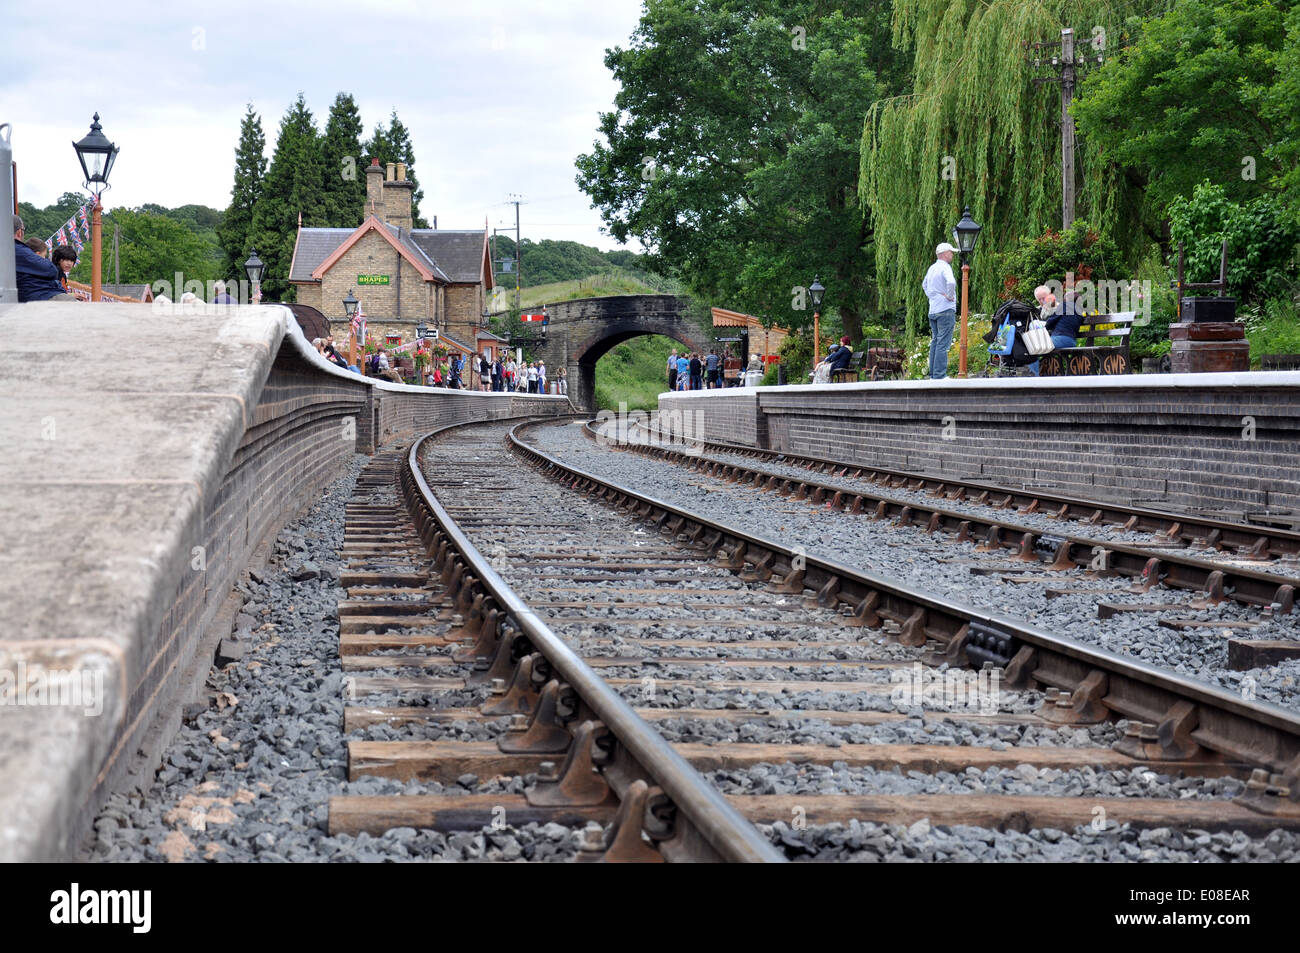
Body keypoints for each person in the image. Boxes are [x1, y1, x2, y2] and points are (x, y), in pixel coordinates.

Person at [13, 215, 76, 302]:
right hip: (38, 295)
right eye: (66, 260)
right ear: (19, 232)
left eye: (71, 261)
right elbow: (51, 270)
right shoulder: (17, 249)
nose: (69, 263)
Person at [922, 242, 958, 379]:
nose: (952, 254)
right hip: (945, 309)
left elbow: (924, 284)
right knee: (943, 343)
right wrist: (949, 296)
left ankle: (933, 374)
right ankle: (939, 375)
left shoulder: (932, 268)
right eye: (950, 252)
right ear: (944, 254)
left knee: (935, 342)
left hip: (933, 309)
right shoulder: (945, 267)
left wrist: (933, 296)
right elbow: (951, 282)